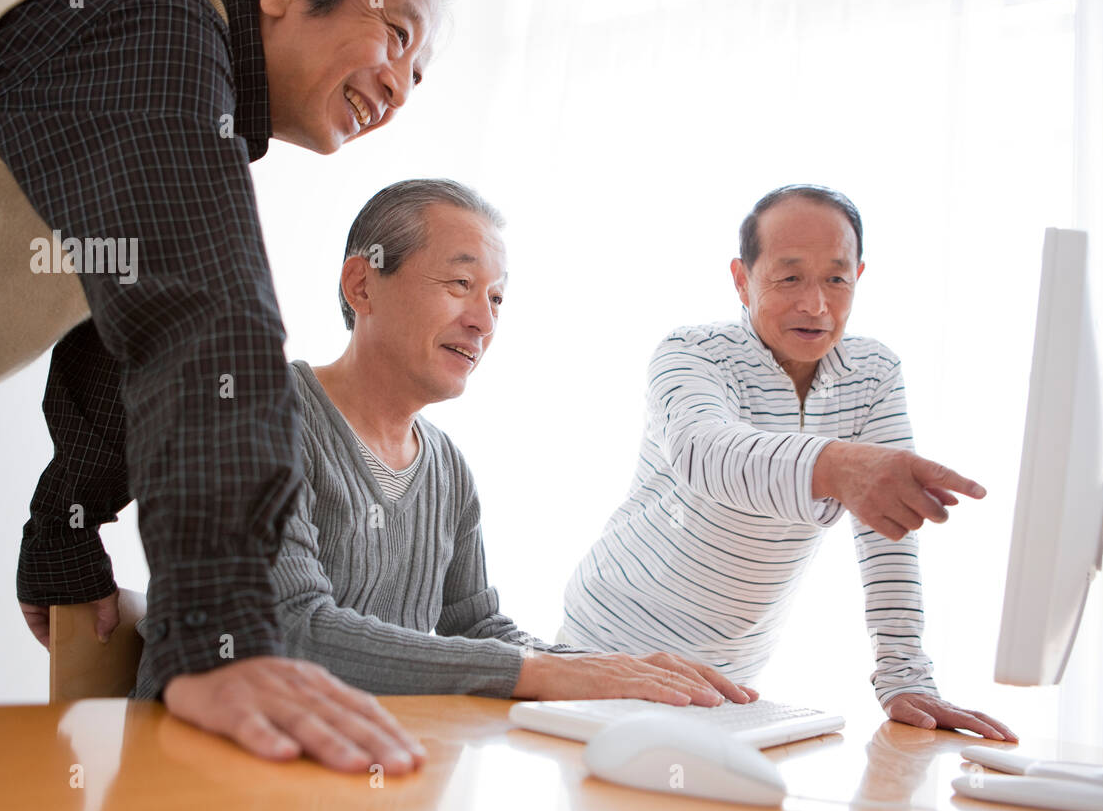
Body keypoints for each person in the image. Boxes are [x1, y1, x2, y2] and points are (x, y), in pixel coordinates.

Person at [0, 0, 456, 773]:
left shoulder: (178, 85)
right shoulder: (152, 22)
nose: (399, 85)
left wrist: (64, 532)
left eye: (418, 74)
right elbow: (199, 316)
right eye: (397, 34)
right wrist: (219, 631)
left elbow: (118, 319)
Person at [135, 178, 760, 708]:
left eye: (496, 299)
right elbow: (294, 631)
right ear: (362, 285)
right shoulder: (260, 417)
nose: (484, 322)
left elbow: (477, 627)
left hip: (360, 773)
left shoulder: (448, 469)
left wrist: (621, 673)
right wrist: (543, 673)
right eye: (460, 285)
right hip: (213, 776)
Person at [560, 184, 1018, 742]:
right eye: (789, 276)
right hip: (610, 643)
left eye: (836, 278)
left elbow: (888, 528)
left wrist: (905, 678)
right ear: (741, 278)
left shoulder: (872, 373)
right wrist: (836, 466)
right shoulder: (692, 353)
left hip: (732, 670)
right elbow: (704, 452)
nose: (816, 305)